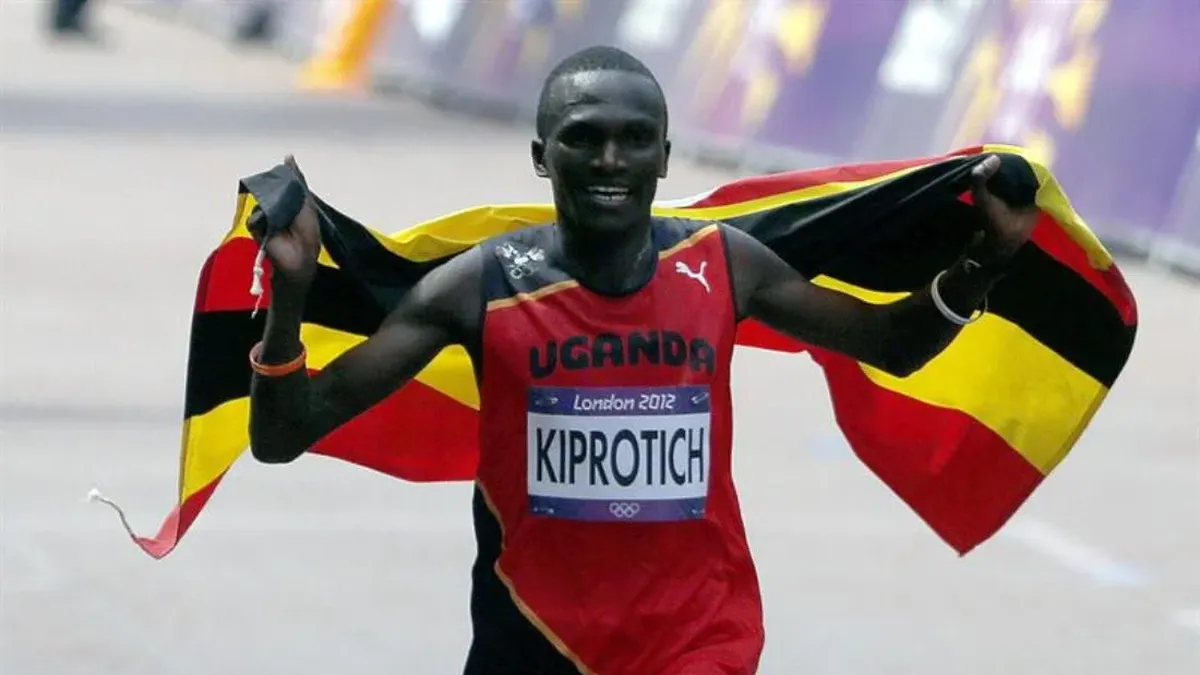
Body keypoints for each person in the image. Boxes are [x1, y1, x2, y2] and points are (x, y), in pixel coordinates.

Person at [246, 46, 1037, 675]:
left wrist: (985, 265)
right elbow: (285, 433)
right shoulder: (477, 287)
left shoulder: (727, 263)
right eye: (583, 138)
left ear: (665, 155)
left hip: (697, 638)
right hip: (534, 637)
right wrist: (289, 296)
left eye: (633, 139)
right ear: (541, 154)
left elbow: (893, 346)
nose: (609, 160)